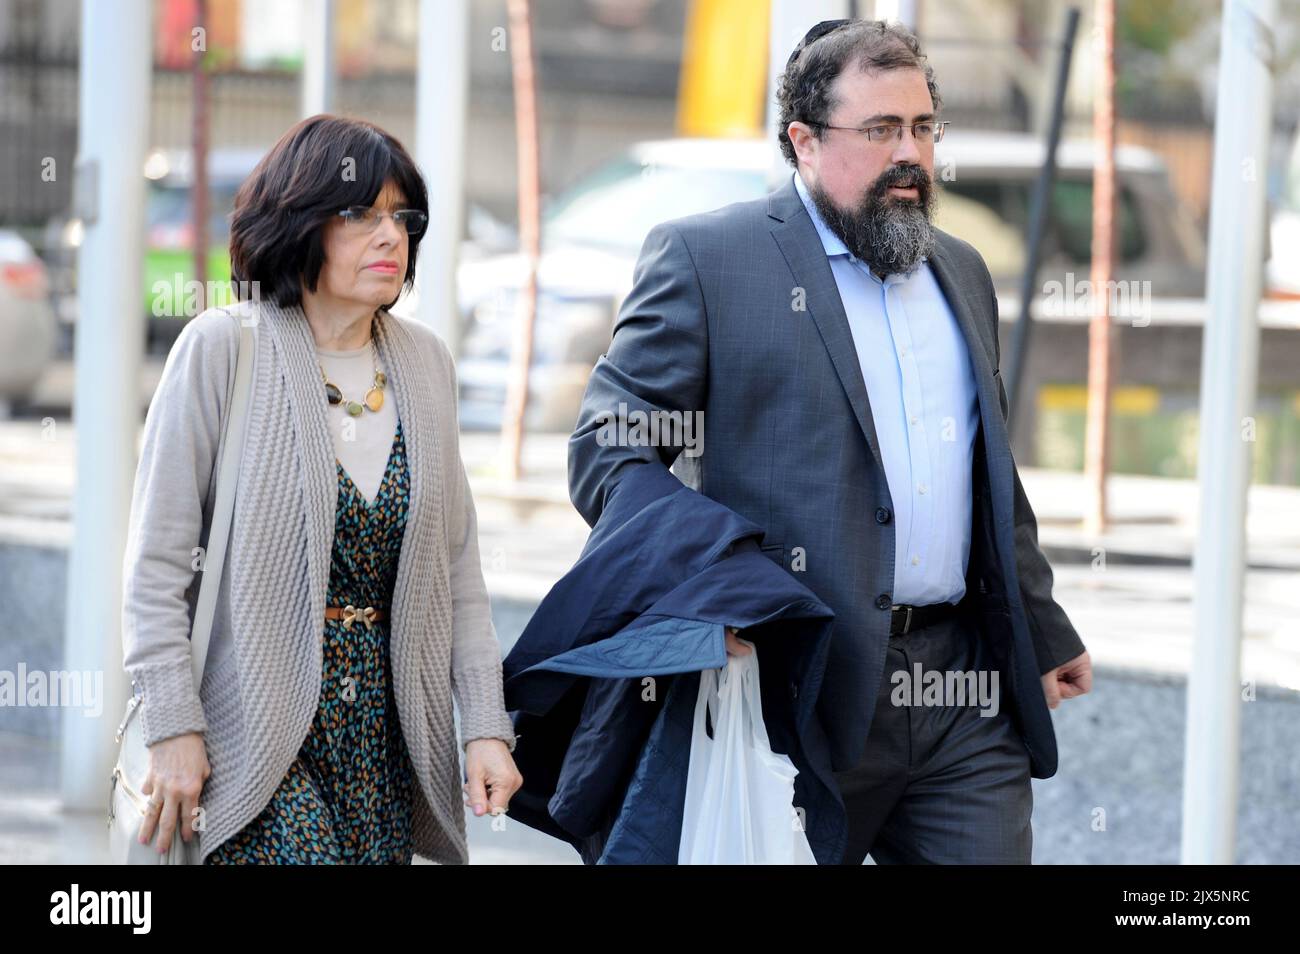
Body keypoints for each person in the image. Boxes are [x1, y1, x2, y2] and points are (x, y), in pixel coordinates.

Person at [568, 19, 1092, 864]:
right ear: (804, 142)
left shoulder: (962, 270)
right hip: (793, 683)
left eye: (923, 127)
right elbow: (610, 448)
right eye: (880, 129)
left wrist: (1042, 625)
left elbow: (987, 478)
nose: (911, 153)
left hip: (961, 689)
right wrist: (708, 589)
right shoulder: (710, 260)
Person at [120, 114, 522, 864]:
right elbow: (157, 568)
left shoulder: (426, 363)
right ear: (299, 221)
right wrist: (173, 726)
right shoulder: (222, 350)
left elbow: (457, 573)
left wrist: (486, 728)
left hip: (385, 742)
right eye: (360, 214)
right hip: (253, 735)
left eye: (403, 219)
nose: (391, 237)